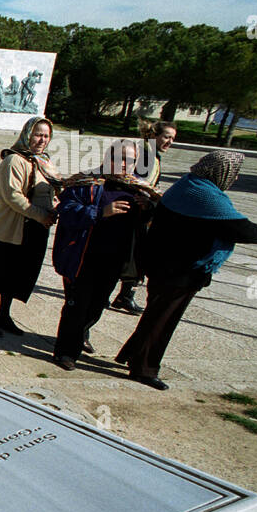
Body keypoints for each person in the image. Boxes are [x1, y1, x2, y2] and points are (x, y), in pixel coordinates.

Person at [114, 151, 257, 390]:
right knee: (163, 320)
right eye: (234, 173)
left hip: (162, 264)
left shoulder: (187, 184)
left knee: (156, 314)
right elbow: (238, 227)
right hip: (181, 270)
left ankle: (133, 354)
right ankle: (143, 369)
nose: (236, 178)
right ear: (220, 171)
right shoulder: (205, 194)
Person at [49, 140, 151, 370]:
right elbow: (65, 210)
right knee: (77, 305)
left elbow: (143, 224)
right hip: (84, 255)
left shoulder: (137, 188)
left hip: (115, 259)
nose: (124, 164)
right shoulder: (87, 182)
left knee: (97, 305)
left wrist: (147, 209)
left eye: (130, 160)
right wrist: (100, 212)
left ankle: (80, 335)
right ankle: (66, 351)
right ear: (108, 157)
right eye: (119, 157)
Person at [0, 117, 58, 336]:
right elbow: (13, 196)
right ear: (27, 134)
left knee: (16, 275)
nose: (42, 140)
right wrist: (40, 215)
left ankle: (3, 314)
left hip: (32, 228)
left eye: (46, 136)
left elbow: (52, 188)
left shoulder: (43, 161)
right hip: (8, 230)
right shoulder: (14, 161)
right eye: (38, 134)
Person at [111, 120, 177, 314]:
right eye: (166, 137)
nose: (169, 142)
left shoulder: (151, 154)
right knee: (132, 254)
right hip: (134, 211)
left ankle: (124, 294)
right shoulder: (146, 154)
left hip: (140, 210)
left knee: (133, 254)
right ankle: (123, 294)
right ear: (153, 135)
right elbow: (137, 183)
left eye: (172, 138)